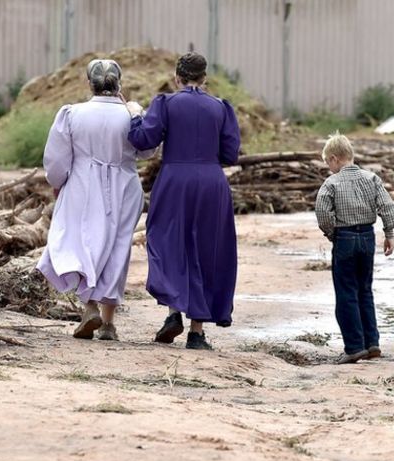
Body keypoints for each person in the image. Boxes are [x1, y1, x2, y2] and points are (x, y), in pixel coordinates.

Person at [126, 52, 241, 350]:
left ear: (177, 78)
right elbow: (230, 153)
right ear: (205, 78)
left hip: (175, 181)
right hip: (211, 183)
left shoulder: (166, 103)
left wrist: (135, 117)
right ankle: (197, 333)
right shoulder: (221, 108)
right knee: (207, 249)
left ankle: (173, 311)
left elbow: (144, 139)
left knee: (167, 241)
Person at [37, 59, 155, 341]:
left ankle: (89, 306)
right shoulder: (131, 114)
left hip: (82, 184)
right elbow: (147, 151)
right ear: (119, 83)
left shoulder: (72, 113)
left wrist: (58, 182)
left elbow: (56, 159)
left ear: (89, 84)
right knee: (117, 248)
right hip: (125, 186)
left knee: (82, 243)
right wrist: (136, 115)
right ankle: (108, 323)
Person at [314, 133, 394, 364]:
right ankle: (372, 343)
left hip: (345, 237)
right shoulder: (372, 178)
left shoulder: (331, 183)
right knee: (365, 290)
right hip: (368, 237)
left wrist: (332, 234)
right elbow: (387, 206)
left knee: (346, 293)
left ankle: (354, 347)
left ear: (334, 158)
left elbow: (322, 213)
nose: (329, 168)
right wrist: (389, 234)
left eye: (328, 163)